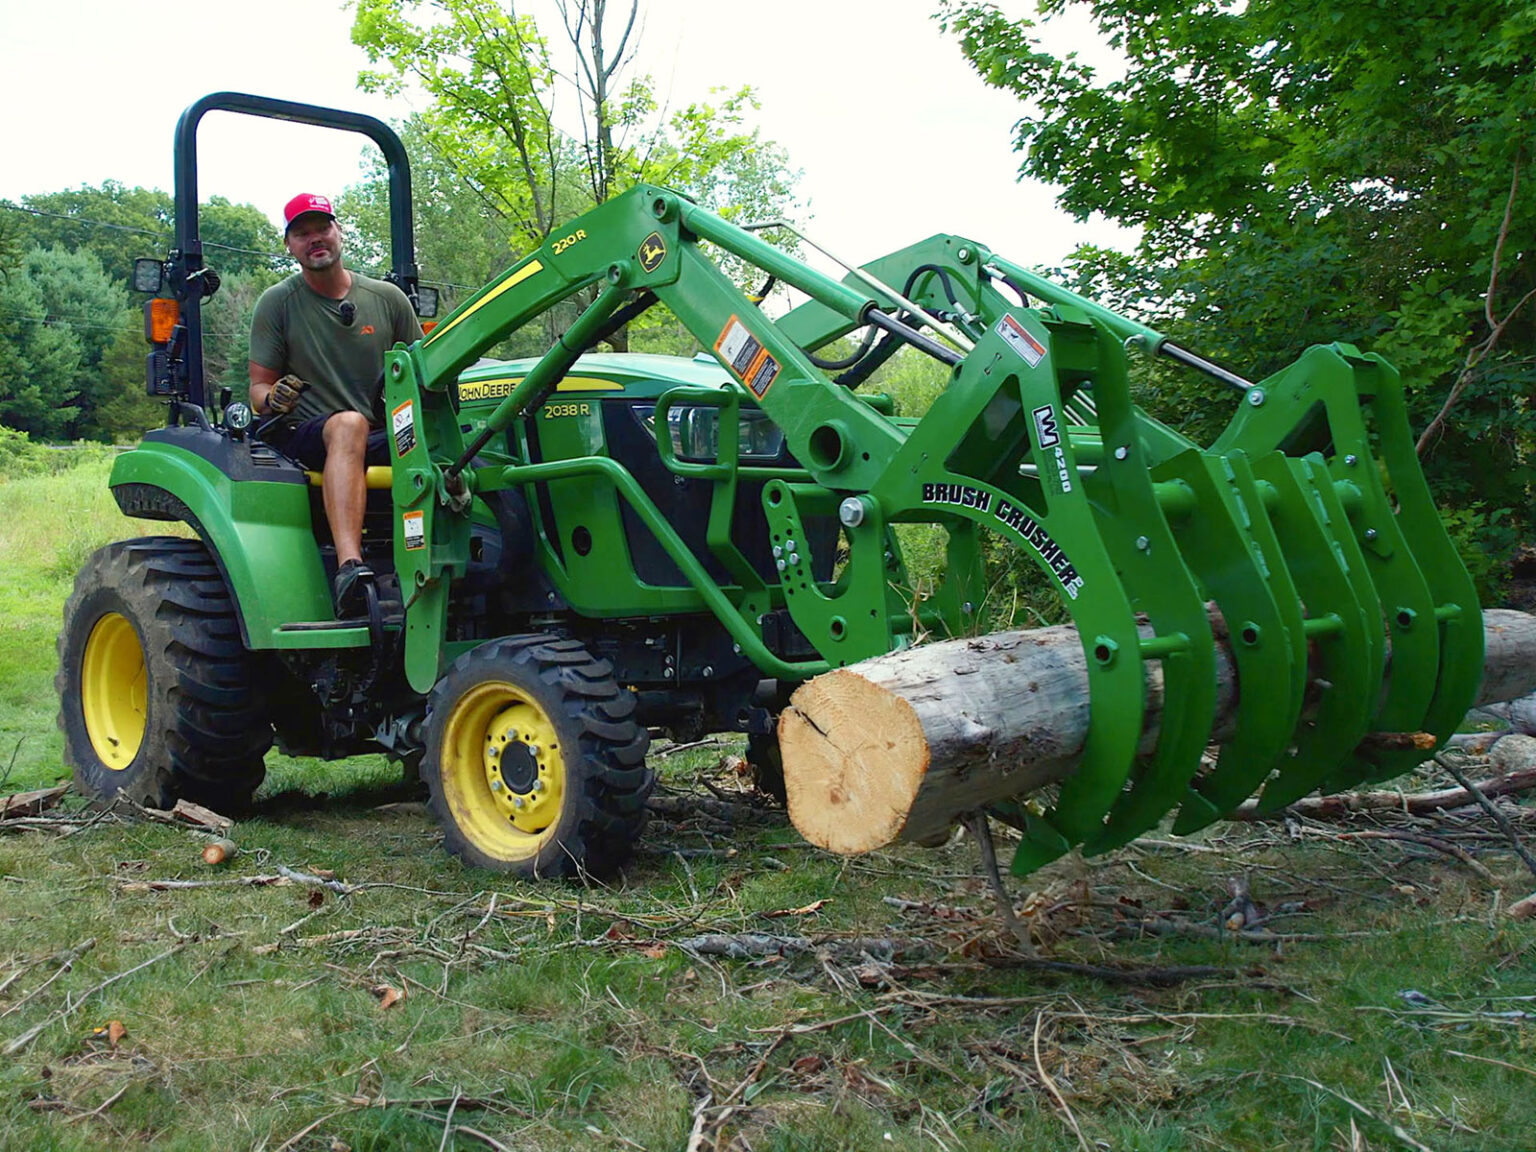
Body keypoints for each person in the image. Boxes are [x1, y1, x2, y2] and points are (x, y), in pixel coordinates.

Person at [248, 193, 423, 616]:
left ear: (338, 231)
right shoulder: (278, 304)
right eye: (302, 234)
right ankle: (350, 567)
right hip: (304, 436)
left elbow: (423, 373)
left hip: (378, 435)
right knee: (348, 425)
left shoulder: (387, 299)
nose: (315, 240)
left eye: (321, 229)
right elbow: (257, 391)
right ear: (289, 246)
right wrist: (275, 397)